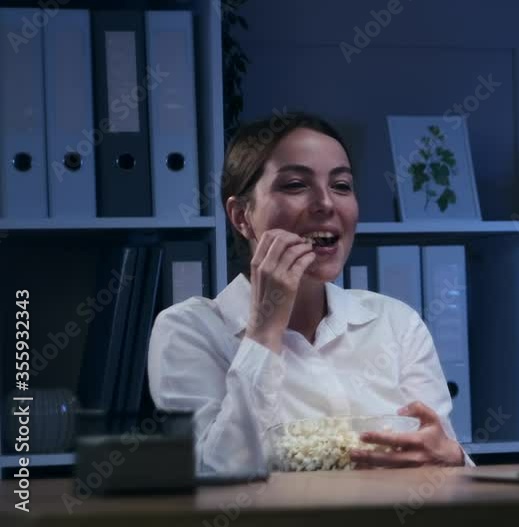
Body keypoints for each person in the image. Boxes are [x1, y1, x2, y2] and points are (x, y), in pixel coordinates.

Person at [147, 112, 470, 475]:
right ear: (241, 216)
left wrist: (453, 456)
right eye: (296, 185)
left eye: (341, 186)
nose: (326, 203)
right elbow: (215, 472)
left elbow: (452, 467)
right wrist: (265, 329)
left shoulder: (396, 323)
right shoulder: (187, 330)